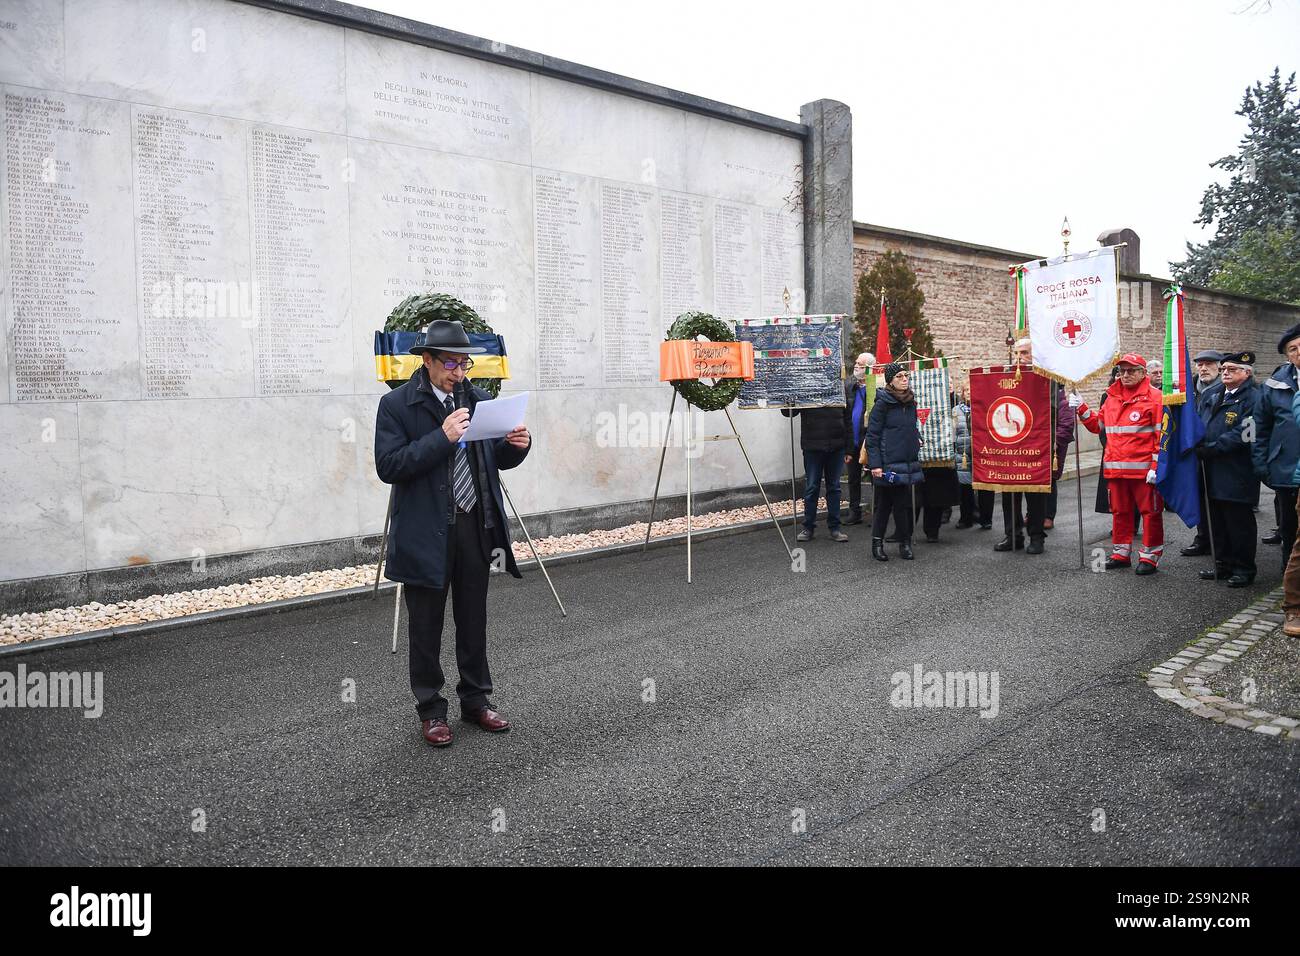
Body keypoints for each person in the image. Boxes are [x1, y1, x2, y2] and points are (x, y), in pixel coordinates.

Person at [374, 320, 533, 748]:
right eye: (450, 363)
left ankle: (476, 701)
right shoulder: (397, 406)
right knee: (425, 625)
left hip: (473, 525)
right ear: (425, 360)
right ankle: (431, 709)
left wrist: (516, 446)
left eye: (464, 362)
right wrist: (441, 438)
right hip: (426, 531)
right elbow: (389, 466)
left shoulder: (479, 399)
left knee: (473, 618)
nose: (459, 372)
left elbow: (489, 461)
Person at [1071, 353, 1164, 574]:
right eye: (1122, 371)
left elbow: (1162, 437)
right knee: (1119, 512)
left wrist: (1156, 467)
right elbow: (1097, 427)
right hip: (1115, 470)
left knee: (1150, 513)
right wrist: (1082, 407)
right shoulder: (1111, 397)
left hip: (1143, 472)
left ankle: (1150, 557)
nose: (1125, 374)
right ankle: (1121, 553)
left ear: (1143, 373)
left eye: (1131, 370)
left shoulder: (1156, 398)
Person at [1196, 351, 1261, 587]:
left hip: (1237, 470)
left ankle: (1244, 568)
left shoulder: (1254, 397)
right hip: (1210, 469)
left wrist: (1213, 447)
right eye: (1223, 369)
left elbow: (1246, 434)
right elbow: (1199, 421)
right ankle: (1222, 564)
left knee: (1238, 523)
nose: (1225, 373)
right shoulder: (1213, 394)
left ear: (1246, 372)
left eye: (1231, 370)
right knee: (1216, 521)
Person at [865, 363, 924, 561]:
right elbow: (872, 436)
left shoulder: (910, 402)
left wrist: (917, 438)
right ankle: (877, 543)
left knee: (903, 504)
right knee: (884, 505)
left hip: (906, 461)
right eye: (899, 376)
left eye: (906, 375)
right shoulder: (883, 403)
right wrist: (876, 465)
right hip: (886, 464)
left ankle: (904, 543)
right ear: (890, 380)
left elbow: (911, 427)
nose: (904, 379)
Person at [1253, 327, 1300, 569]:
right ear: (1287, 356)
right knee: (1289, 532)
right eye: (1293, 349)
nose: (1299, 352)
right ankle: (1291, 590)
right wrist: (1262, 464)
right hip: (1286, 471)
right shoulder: (1274, 385)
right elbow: (1258, 428)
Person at [784, 398, 851, 543]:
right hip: (812, 446)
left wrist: (849, 448)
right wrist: (789, 397)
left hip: (836, 446)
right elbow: (788, 412)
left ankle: (835, 528)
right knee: (812, 487)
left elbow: (848, 419)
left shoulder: (838, 388)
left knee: (834, 487)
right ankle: (808, 527)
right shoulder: (808, 388)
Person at [1181, 350, 1224, 556]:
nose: (1204, 368)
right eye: (1200, 364)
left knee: (1215, 499)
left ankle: (1218, 541)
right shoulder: (1190, 388)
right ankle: (1203, 538)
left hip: (1214, 451)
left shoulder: (1224, 388)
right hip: (1194, 452)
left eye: (1209, 364)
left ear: (1219, 366)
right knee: (1198, 496)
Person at [954, 380, 993, 529]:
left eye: (972, 389)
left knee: (985, 487)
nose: (969, 392)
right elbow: (953, 433)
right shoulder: (956, 411)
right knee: (965, 488)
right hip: (964, 455)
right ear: (962, 394)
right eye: (966, 390)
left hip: (983, 453)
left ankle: (986, 519)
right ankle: (966, 518)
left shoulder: (986, 408)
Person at [843, 351, 875, 525]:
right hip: (852, 440)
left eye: (861, 365)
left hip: (869, 440)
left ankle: (877, 511)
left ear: (869, 368)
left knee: (874, 477)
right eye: (856, 363)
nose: (856, 366)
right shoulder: (848, 384)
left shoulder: (876, 386)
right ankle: (855, 512)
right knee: (853, 478)